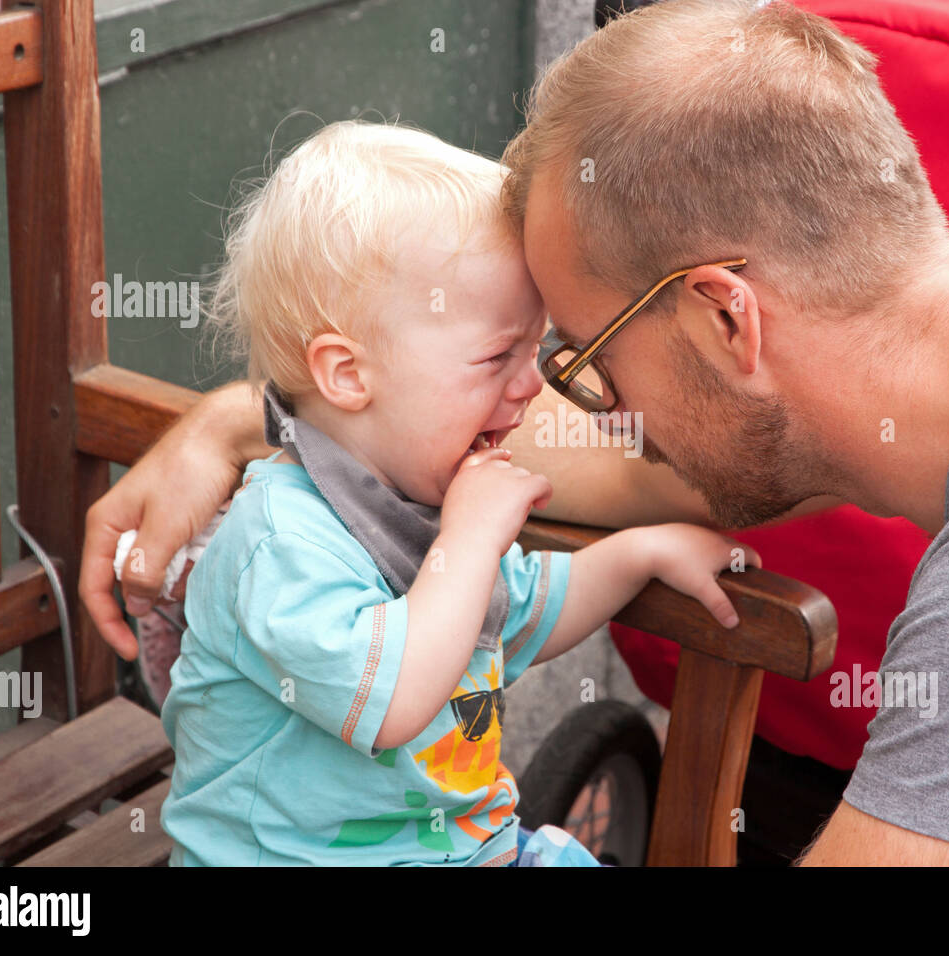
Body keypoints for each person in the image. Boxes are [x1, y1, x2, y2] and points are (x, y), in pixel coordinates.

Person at [83, 0, 949, 865]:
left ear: (724, 314)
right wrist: (256, 416)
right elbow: (625, 474)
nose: (558, 403)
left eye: (579, 358)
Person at [153, 120, 751, 866]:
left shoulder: (412, 502)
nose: (534, 385)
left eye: (535, 350)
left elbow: (524, 606)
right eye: (499, 354)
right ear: (347, 374)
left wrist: (641, 554)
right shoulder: (281, 542)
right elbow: (395, 699)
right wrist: (469, 540)